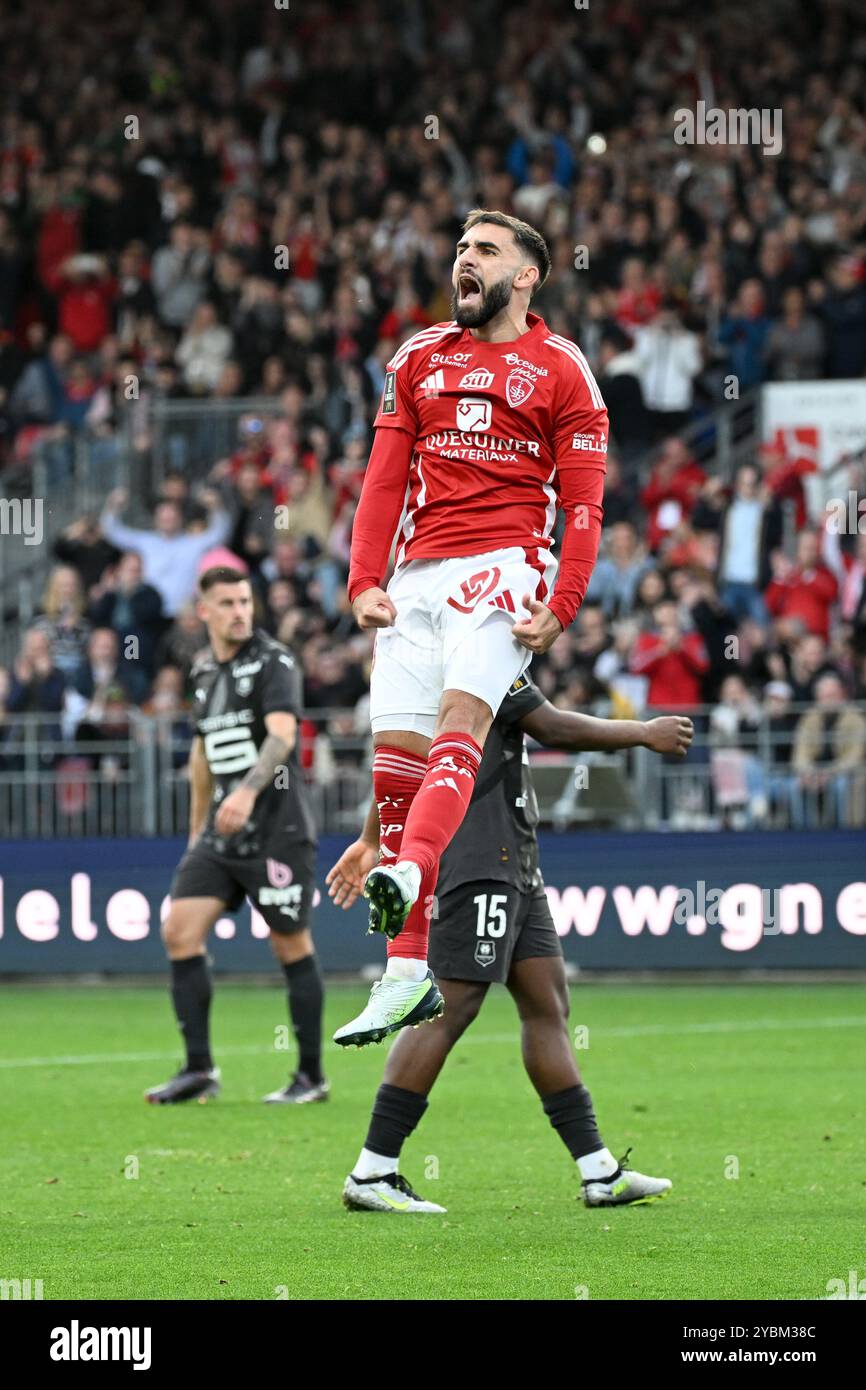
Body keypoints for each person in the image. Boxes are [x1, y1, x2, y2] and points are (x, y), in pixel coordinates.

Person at [339, 209, 608, 1047]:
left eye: (485, 251)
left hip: (505, 565)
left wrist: (561, 604)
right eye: (460, 248)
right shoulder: (417, 358)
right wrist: (363, 578)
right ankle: (405, 975)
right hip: (417, 576)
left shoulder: (562, 369)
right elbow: (383, 479)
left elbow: (587, 505)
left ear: (527, 275)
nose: (465, 261)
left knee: (463, 720)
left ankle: (412, 868)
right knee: (394, 767)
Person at [327, 675, 693, 1212]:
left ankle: (599, 1172)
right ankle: (373, 1170)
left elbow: (404, 761)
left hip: (516, 862)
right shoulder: (480, 652)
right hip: (478, 862)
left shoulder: (439, 661)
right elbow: (552, 725)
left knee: (548, 1004)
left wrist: (371, 838)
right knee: (449, 1008)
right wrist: (642, 732)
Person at [144, 566, 324, 1105]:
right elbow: (201, 756)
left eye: (245, 600)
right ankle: (200, 1070)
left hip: (277, 829)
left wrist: (246, 791)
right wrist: (196, 831)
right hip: (220, 833)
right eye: (227, 603)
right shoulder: (201, 671)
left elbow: (283, 737)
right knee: (179, 929)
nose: (240, 611)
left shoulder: (275, 661)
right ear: (204, 612)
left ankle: (311, 1077)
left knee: (288, 942)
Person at [99, 486, 230, 618]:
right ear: (156, 519)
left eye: (172, 517)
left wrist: (216, 507)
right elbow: (112, 531)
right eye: (164, 517)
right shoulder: (145, 542)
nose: (168, 520)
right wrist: (112, 506)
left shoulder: (193, 543)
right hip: (149, 613)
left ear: (180, 518)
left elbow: (219, 534)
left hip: (183, 616)